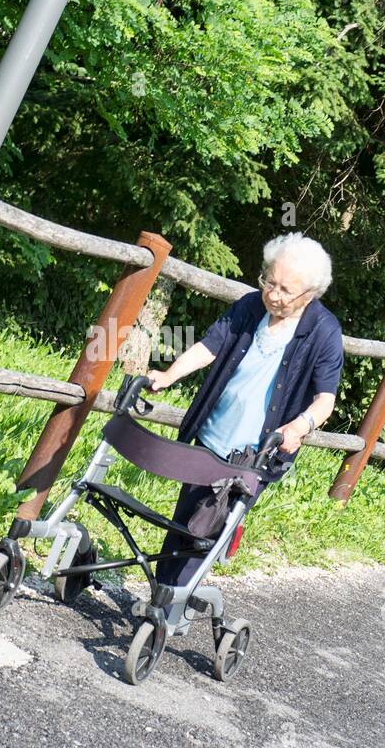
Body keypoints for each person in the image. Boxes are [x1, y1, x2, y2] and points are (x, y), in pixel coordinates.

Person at [144, 232, 344, 601]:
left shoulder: (325, 331)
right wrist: (169, 375)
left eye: (285, 290)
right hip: (211, 437)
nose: (273, 295)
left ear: (310, 294)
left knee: (209, 526)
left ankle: (171, 603)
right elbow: (210, 346)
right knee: (183, 519)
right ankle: (163, 592)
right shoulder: (250, 306)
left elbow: (325, 400)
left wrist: (300, 427)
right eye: (269, 281)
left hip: (256, 454)